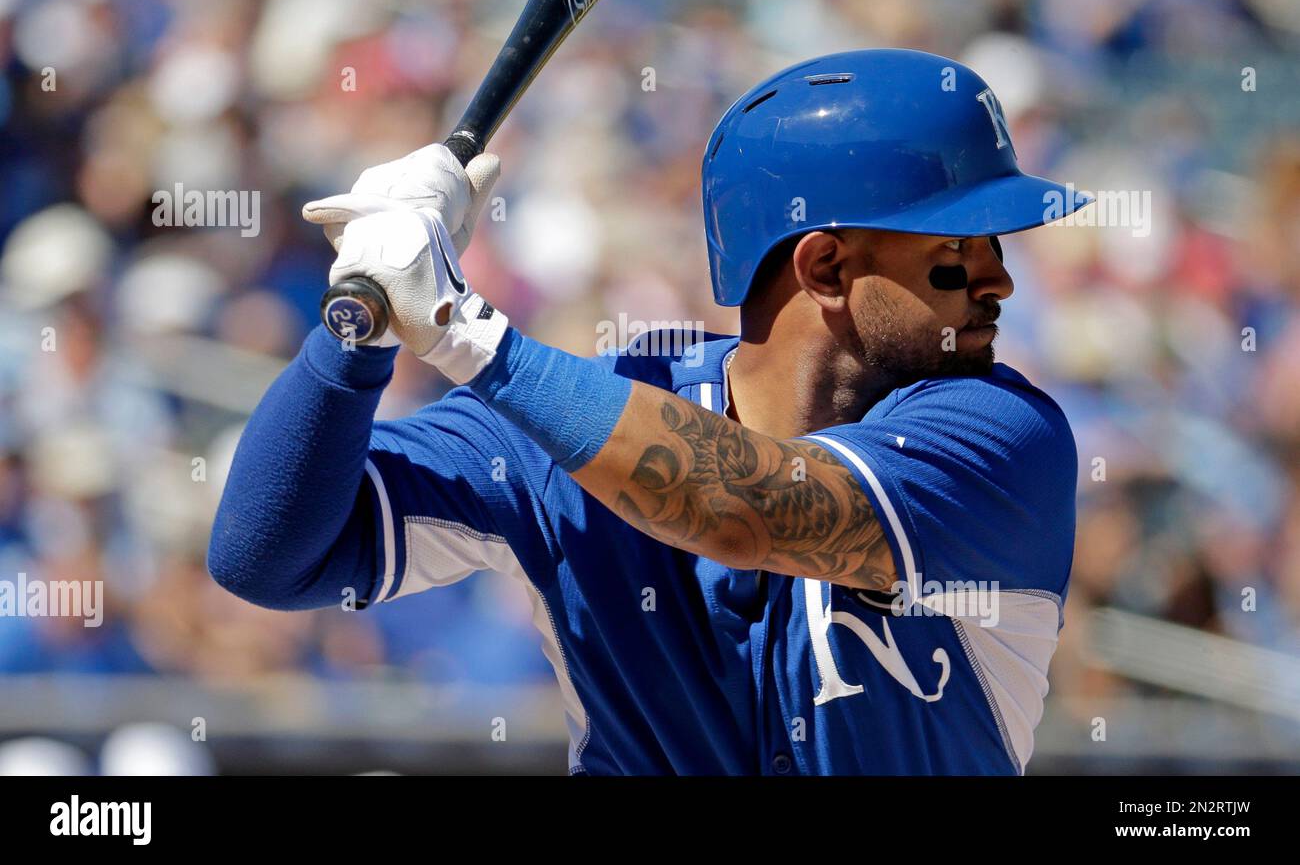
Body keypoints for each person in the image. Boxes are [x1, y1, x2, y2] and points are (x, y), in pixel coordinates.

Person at [209, 49, 1092, 774]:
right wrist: (354, 327)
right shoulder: (572, 421)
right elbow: (270, 557)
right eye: (957, 247)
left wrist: (460, 331)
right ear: (823, 270)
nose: (999, 277)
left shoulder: (999, 434)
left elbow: (753, 508)